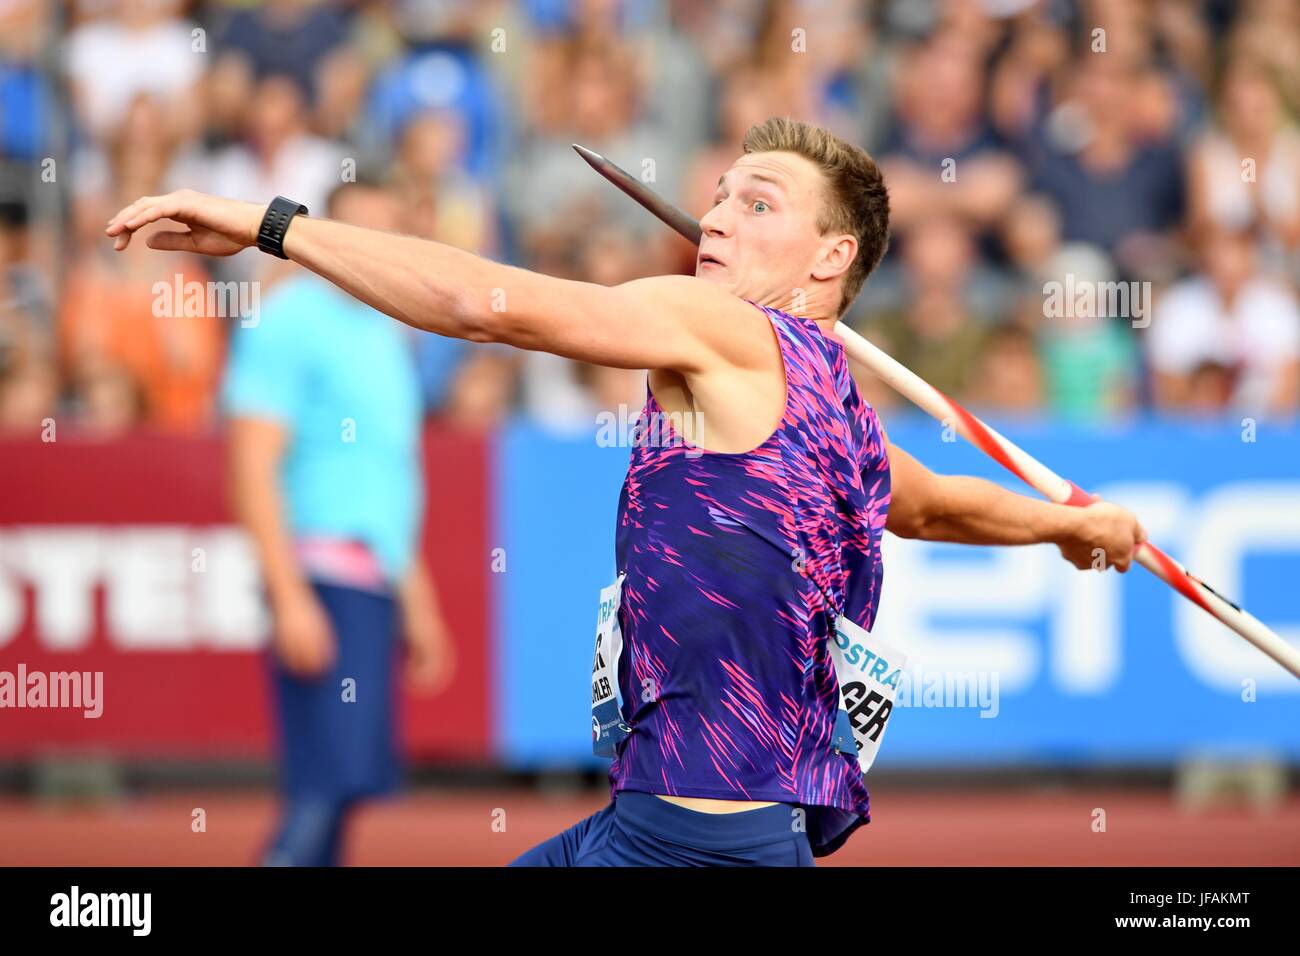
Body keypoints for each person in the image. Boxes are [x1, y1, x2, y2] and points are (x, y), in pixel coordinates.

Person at [106, 117, 1145, 867]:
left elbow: (482, 303)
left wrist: (271, 224)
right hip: (725, 826)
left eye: (757, 202)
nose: (715, 213)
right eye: (722, 191)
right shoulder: (829, 398)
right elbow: (926, 503)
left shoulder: (729, 328)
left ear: (831, 258)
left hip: (686, 839)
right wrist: (1065, 523)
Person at [220, 179, 454, 866]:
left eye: (384, 236)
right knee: (322, 788)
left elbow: (385, 482)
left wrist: (417, 602)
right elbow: (251, 466)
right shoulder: (289, 319)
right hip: (320, 574)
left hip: (371, 582)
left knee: (349, 787)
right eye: (355, 234)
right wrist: (288, 594)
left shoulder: (386, 334)